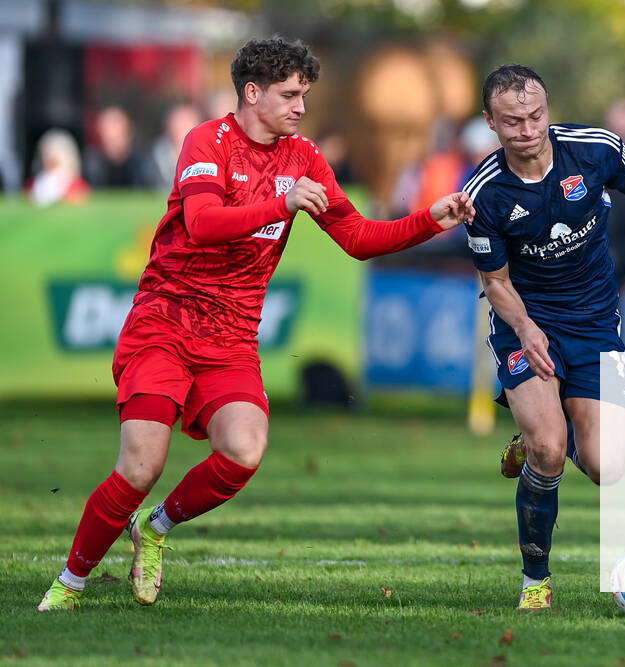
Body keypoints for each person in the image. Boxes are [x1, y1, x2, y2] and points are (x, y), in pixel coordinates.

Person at [37, 36, 474, 612]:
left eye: (304, 96)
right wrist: (282, 203)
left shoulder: (305, 157)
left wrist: (429, 220)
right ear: (252, 91)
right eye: (289, 95)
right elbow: (201, 223)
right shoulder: (206, 140)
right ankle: (69, 585)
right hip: (165, 322)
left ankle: (156, 528)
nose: (300, 107)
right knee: (141, 463)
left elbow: (359, 238)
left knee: (244, 450)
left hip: (232, 338)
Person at [463, 64, 625, 611]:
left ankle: (532, 442)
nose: (527, 130)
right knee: (551, 450)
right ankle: (536, 582)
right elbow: (496, 282)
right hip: (524, 324)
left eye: (535, 116)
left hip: (596, 322)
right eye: (512, 122)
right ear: (490, 122)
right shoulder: (482, 194)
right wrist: (527, 330)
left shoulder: (595, 149)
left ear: (548, 110)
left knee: (607, 467)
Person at [84, 105, 152, 189]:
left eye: (114, 124)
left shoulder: (140, 159)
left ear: (126, 127)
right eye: (106, 124)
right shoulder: (93, 160)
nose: (110, 129)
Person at [27, 128, 90, 206]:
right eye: (46, 154)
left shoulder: (75, 183)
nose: (50, 158)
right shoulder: (36, 182)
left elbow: (80, 196)